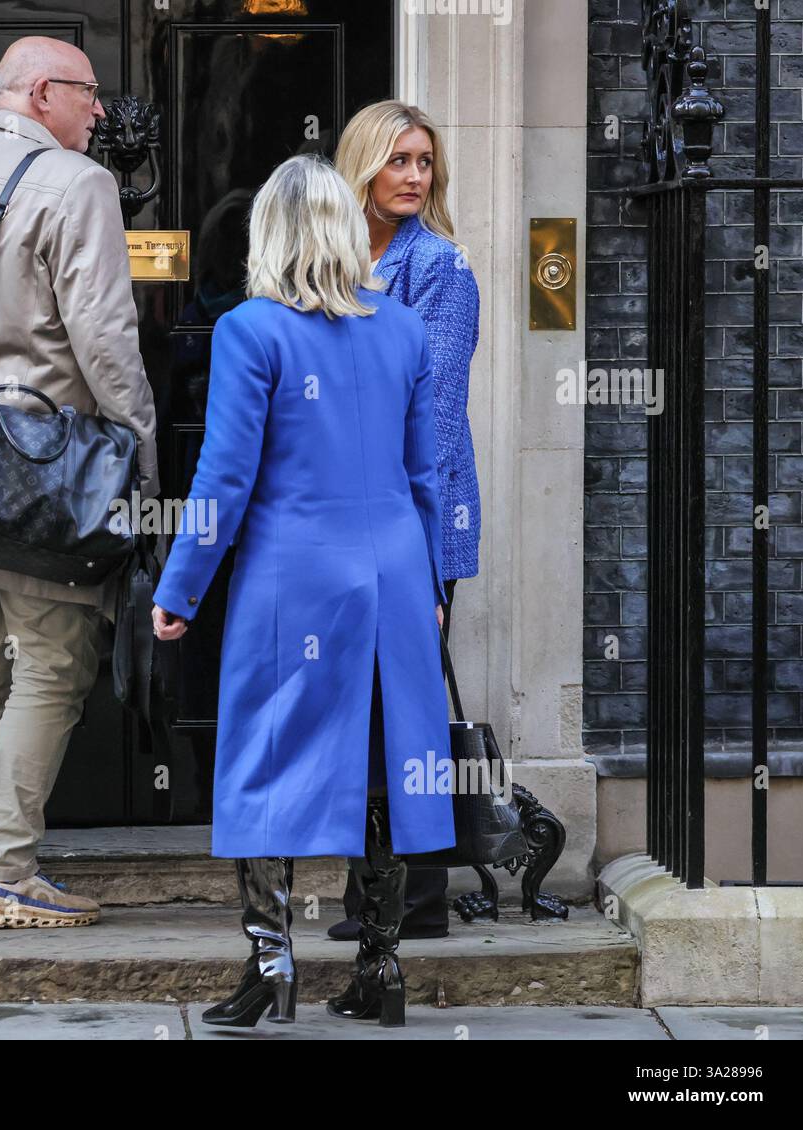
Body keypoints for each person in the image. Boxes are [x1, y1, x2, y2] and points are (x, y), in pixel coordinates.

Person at [151, 154, 455, 1028]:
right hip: (393, 569)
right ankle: (381, 970)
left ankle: (272, 969)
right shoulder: (399, 328)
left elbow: (224, 478)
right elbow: (423, 475)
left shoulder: (252, 329)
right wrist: (430, 581)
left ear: (270, 235)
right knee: (388, 767)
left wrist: (182, 586)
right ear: (346, 229)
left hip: (294, 574)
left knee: (263, 761)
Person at [0, 36, 158, 929]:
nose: (100, 111)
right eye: (88, 94)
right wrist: (141, 453)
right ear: (45, 92)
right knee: (50, 664)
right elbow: (103, 340)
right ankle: (7, 875)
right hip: (43, 468)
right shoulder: (77, 184)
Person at [327, 100, 483, 943]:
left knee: (407, 713)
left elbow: (439, 417)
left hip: (413, 520)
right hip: (348, 520)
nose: (415, 176)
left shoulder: (442, 269)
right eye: (399, 161)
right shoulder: (340, 261)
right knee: (356, 708)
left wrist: (423, 566)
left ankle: (416, 901)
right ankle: (369, 898)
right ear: (363, 168)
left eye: (425, 161)